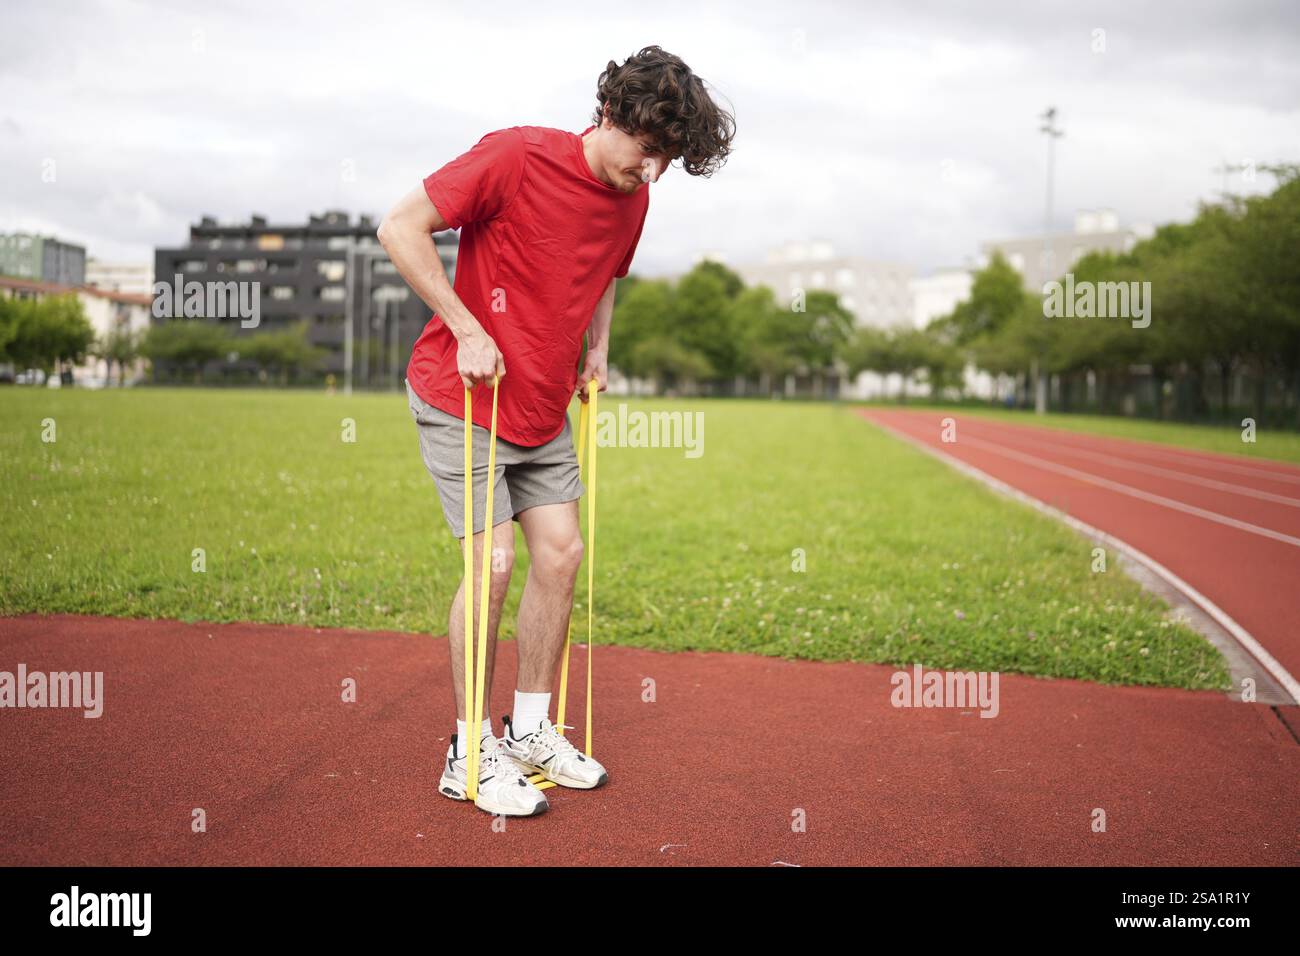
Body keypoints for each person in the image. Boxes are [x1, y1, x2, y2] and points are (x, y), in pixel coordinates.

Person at [378, 45, 734, 816]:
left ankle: (531, 730)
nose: (654, 173)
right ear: (613, 114)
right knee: (495, 565)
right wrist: (467, 327)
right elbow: (400, 227)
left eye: (669, 160)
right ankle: (467, 753)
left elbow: (605, 272)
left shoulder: (634, 196)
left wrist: (598, 347)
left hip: (542, 408)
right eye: (649, 151)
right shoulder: (514, 157)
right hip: (462, 396)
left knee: (562, 556)